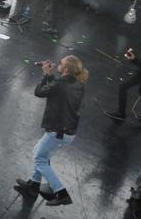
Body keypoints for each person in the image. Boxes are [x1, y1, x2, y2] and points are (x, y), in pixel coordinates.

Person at [15, 56, 87, 207]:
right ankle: (33, 185)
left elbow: (39, 92)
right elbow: (59, 86)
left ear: (66, 69)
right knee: (40, 153)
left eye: (60, 64)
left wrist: (45, 75)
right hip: (68, 130)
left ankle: (61, 193)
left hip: (58, 131)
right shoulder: (79, 84)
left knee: (39, 158)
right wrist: (49, 74)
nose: (58, 65)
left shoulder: (60, 83)